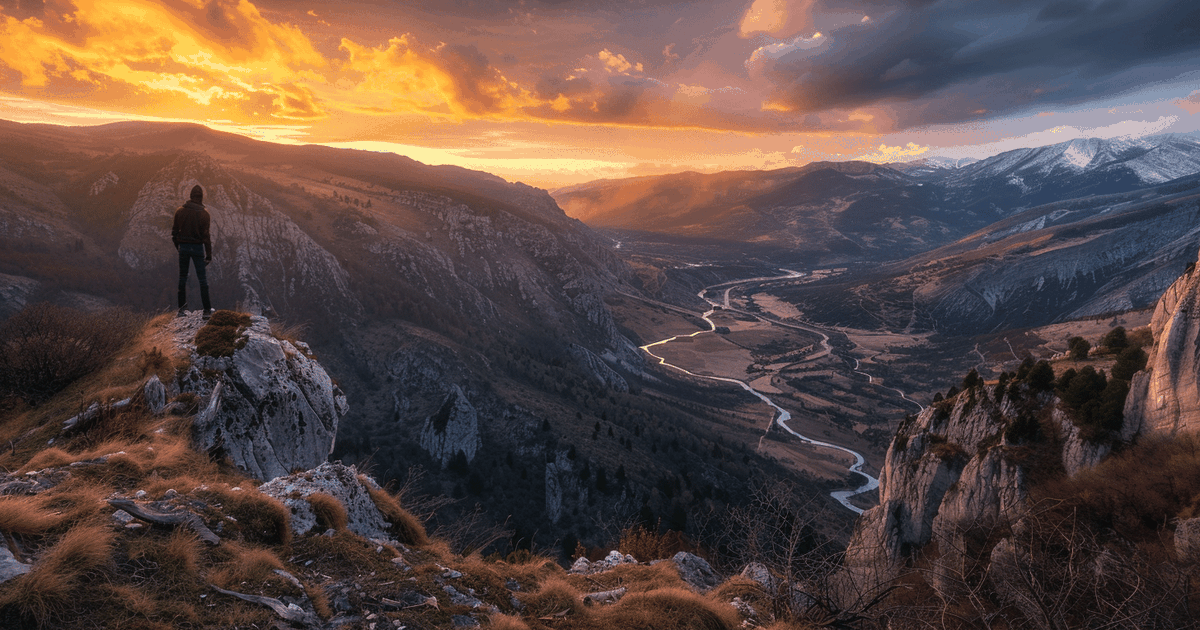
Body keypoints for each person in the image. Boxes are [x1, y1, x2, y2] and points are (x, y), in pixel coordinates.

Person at [172, 184, 213, 318]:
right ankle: (206, 310)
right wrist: (209, 255)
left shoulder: (179, 211)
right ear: (201, 197)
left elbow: (174, 233)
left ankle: (182, 309)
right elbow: (206, 236)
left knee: (182, 278)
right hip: (197, 248)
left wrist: (179, 247)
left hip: (183, 247)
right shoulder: (204, 214)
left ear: (190, 196)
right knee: (202, 280)